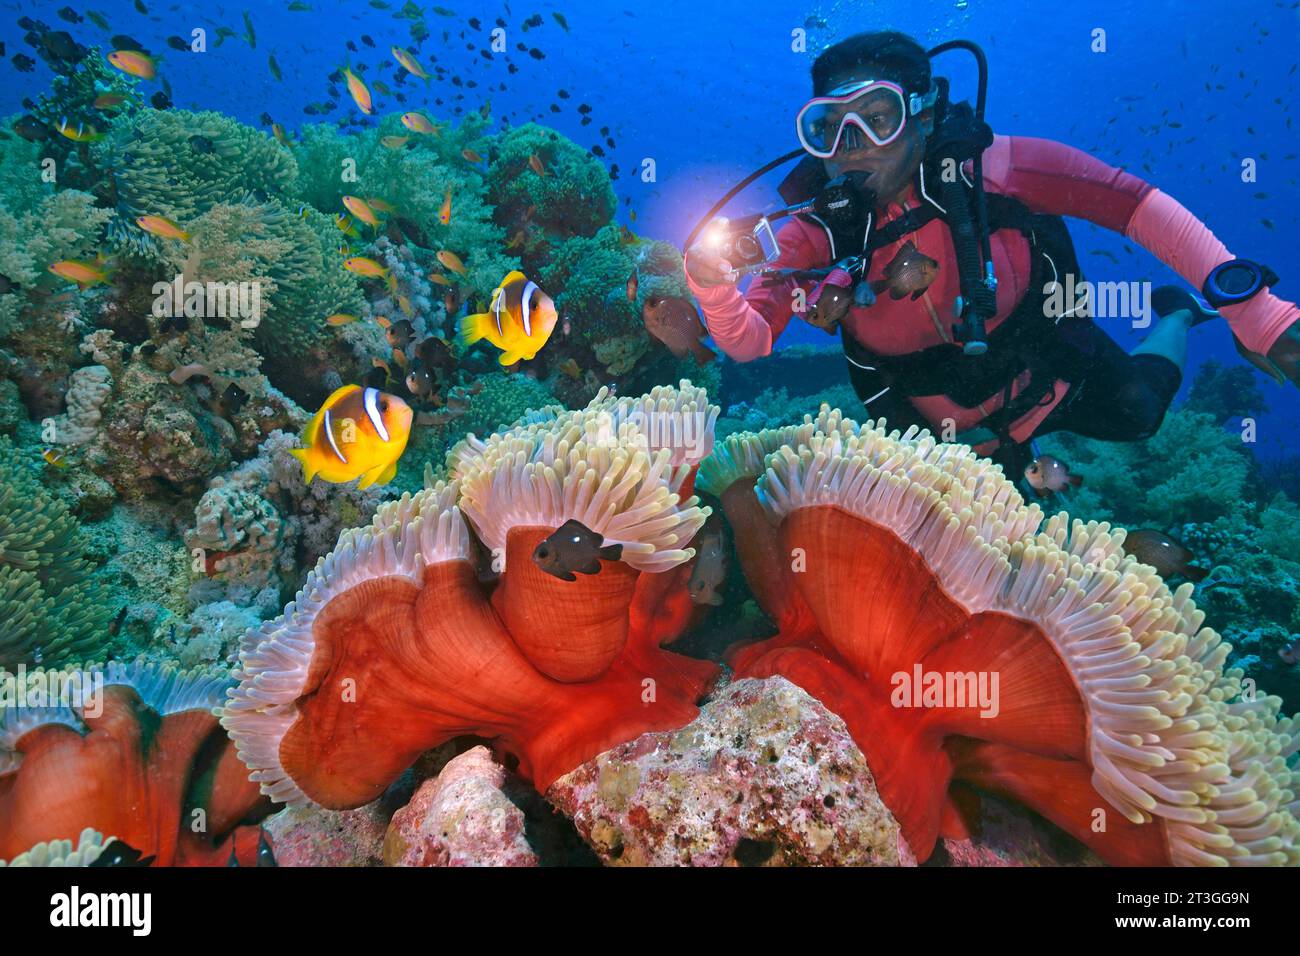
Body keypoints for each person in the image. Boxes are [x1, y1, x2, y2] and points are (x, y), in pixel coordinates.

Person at [685, 31, 1300, 475]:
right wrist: (712, 288)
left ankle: (1176, 315)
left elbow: (1134, 206)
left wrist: (1254, 309)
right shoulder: (814, 230)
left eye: (878, 117)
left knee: (1141, 414)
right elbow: (751, 341)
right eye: (829, 126)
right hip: (932, 431)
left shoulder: (998, 167)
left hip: (1049, 374)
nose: (853, 145)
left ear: (923, 118)